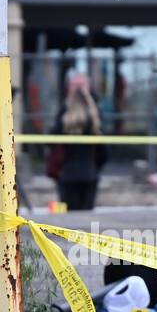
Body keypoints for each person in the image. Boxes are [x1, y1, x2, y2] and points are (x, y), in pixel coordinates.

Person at [46, 72, 106, 210]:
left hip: (80, 173)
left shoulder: (93, 113)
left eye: (81, 85)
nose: (78, 89)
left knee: (75, 219)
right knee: (80, 219)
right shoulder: (91, 114)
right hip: (75, 173)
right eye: (75, 85)